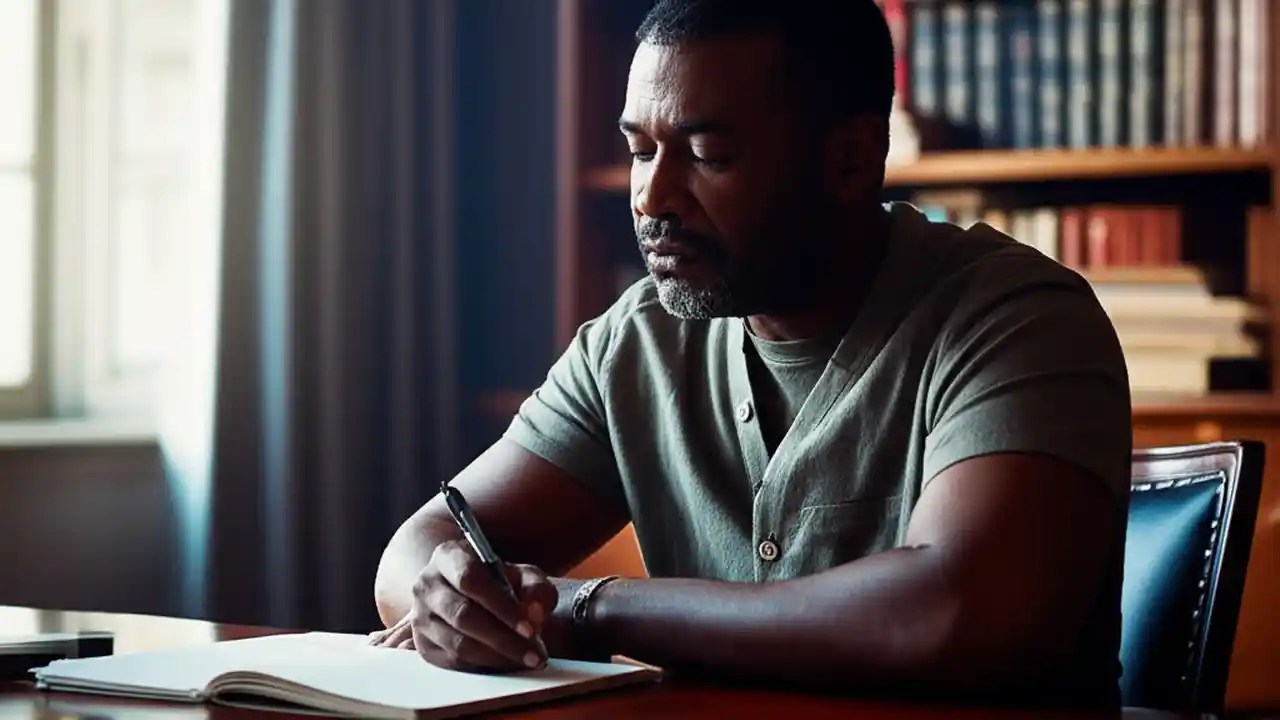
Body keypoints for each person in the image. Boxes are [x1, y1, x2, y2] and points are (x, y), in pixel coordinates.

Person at [372, 0, 1131, 706]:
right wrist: (450, 601)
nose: (652, 197)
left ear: (851, 158)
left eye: (706, 154)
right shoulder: (635, 344)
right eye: (639, 150)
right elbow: (414, 553)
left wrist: (598, 608)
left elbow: (952, 612)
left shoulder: (1016, 321)